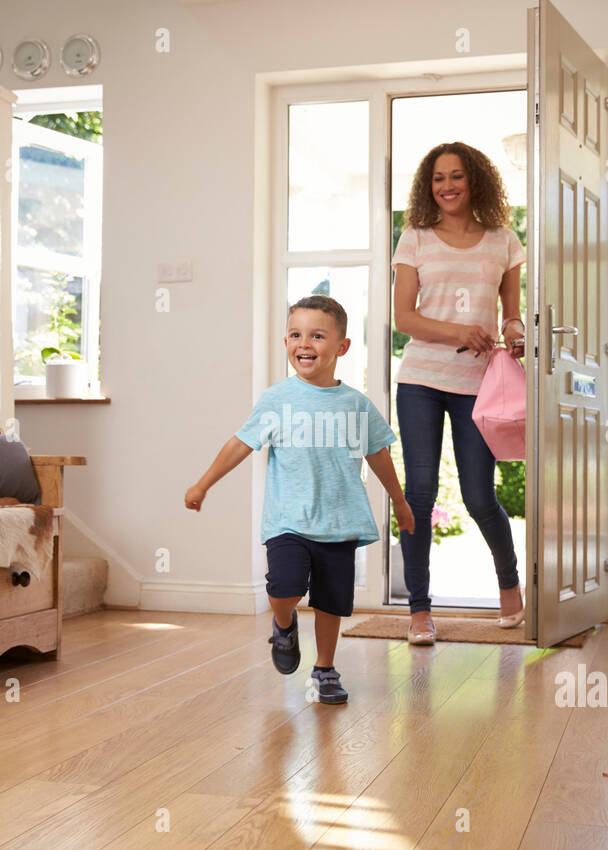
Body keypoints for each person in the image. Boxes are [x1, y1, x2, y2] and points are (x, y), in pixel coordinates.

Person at [185, 294, 414, 704]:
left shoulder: (356, 405)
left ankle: (325, 669)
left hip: (338, 522)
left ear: (342, 347)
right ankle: (283, 623)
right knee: (285, 585)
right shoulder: (278, 399)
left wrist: (399, 501)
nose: (304, 343)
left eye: (317, 336)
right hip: (288, 520)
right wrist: (204, 484)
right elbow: (241, 443)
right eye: (295, 334)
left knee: (331, 602)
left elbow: (378, 453)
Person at [391, 142, 527, 645]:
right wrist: (459, 332)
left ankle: (510, 586)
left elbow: (510, 310)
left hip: (478, 386)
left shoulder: (503, 240)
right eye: (437, 178)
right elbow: (403, 318)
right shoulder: (415, 239)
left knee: (479, 496)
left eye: (457, 177)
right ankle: (419, 611)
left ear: (476, 182)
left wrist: (512, 331)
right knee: (419, 493)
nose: (446, 186)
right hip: (421, 381)